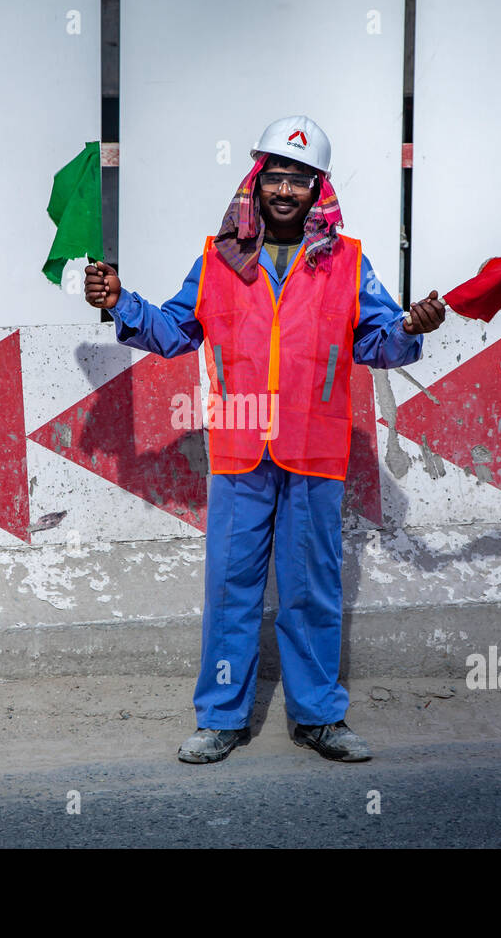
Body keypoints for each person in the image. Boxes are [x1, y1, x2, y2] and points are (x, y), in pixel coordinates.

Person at [85, 115, 446, 764]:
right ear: (256, 182)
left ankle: (317, 717)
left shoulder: (348, 263)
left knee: (311, 589)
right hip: (239, 450)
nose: (285, 189)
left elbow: (381, 341)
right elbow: (172, 330)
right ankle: (221, 718)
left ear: (318, 191)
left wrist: (412, 326)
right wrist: (121, 301)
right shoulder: (218, 261)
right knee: (231, 587)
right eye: (275, 175)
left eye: (299, 179)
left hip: (316, 451)